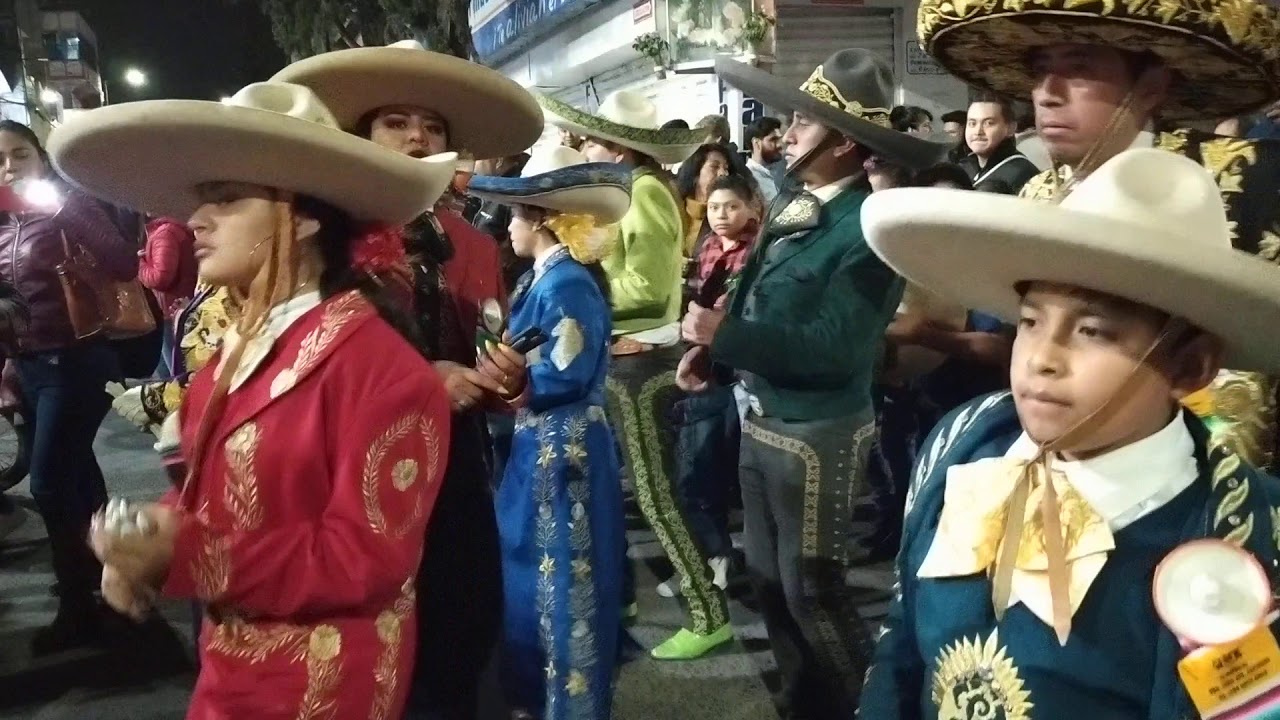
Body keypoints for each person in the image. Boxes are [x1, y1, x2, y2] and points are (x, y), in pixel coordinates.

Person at [55, 81, 459, 719]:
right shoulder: (235, 352)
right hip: (234, 663)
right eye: (201, 201)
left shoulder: (383, 372)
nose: (195, 221)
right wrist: (142, 548)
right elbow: (210, 485)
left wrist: (183, 556)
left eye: (226, 199)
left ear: (301, 217)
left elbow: (367, 559)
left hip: (322, 682)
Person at [859, 147, 1280, 719]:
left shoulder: (1244, 538)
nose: (1041, 359)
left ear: (1190, 366)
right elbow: (902, 646)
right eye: (1030, 322)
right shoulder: (967, 442)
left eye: (1093, 331)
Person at [272, 40, 544, 718]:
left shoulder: (475, 246)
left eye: (433, 125)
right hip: (349, 486)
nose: (417, 136)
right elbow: (289, 361)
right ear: (361, 136)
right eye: (395, 121)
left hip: (454, 478)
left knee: (460, 633)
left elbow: (495, 358)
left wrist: (508, 381)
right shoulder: (313, 238)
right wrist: (423, 381)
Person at [915, 0, 1280, 473]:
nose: (1046, 94)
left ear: (1151, 85)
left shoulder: (1247, 179)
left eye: (1080, 70)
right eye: (1041, 71)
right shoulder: (1038, 194)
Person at [695, 48, 945, 717]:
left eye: (805, 121)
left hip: (817, 430)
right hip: (763, 412)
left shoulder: (869, 228)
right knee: (767, 581)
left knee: (815, 591)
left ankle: (868, 708)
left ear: (840, 142)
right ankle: (808, 704)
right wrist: (716, 355)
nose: (790, 130)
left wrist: (724, 337)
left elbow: (836, 350)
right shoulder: (797, 202)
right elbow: (750, 295)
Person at [538, 88, 733, 660]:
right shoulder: (633, 189)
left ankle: (707, 612)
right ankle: (647, 598)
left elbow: (648, 288)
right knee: (643, 490)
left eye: (592, 140)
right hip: (629, 357)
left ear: (618, 147)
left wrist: (581, 293)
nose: (585, 149)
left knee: (657, 495)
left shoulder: (644, 193)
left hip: (642, 360)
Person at [468, 144, 631, 720]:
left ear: (539, 220)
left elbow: (566, 371)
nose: (509, 227)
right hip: (549, 443)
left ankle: (568, 705)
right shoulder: (557, 278)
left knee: (565, 580)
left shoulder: (566, 286)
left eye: (515, 215)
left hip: (565, 453)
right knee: (547, 576)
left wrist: (512, 378)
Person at [0, 119, 137, 653]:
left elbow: (125, 262)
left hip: (78, 360)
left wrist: (57, 206)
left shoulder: (67, 205)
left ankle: (78, 606)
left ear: (41, 159)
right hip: (28, 367)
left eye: (19, 155)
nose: (8, 167)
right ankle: (112, 581)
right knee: (77, 475)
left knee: (49, 484)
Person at [663, 173, 760, 599]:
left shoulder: (754, 254)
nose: (722, 215)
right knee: (696, 472)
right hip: (700, 361)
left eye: (732, 207)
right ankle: (708, 558)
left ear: (752, 208)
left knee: (705, 471)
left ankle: (717, 561)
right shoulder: (706, 247)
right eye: (715, 207)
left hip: (731, 374)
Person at [137, 217, 198, 379]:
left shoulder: (165, 233)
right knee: (167, 372)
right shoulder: (173, 229)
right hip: (177, 308)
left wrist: (139, 264)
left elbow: (160, 278)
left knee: (175, 375)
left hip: (171, 310)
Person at [959, 95, 1039, 194]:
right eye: (972, 123)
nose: (978, 131)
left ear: (1011, 128)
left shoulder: (1024, 175)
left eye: (988, 123)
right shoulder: (963, 167)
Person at [743, 117, 783, 205]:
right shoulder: (748, 179)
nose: (779, 145)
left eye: (779, 139)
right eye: (773, 139)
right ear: (756, 143)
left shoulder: (783, 173)